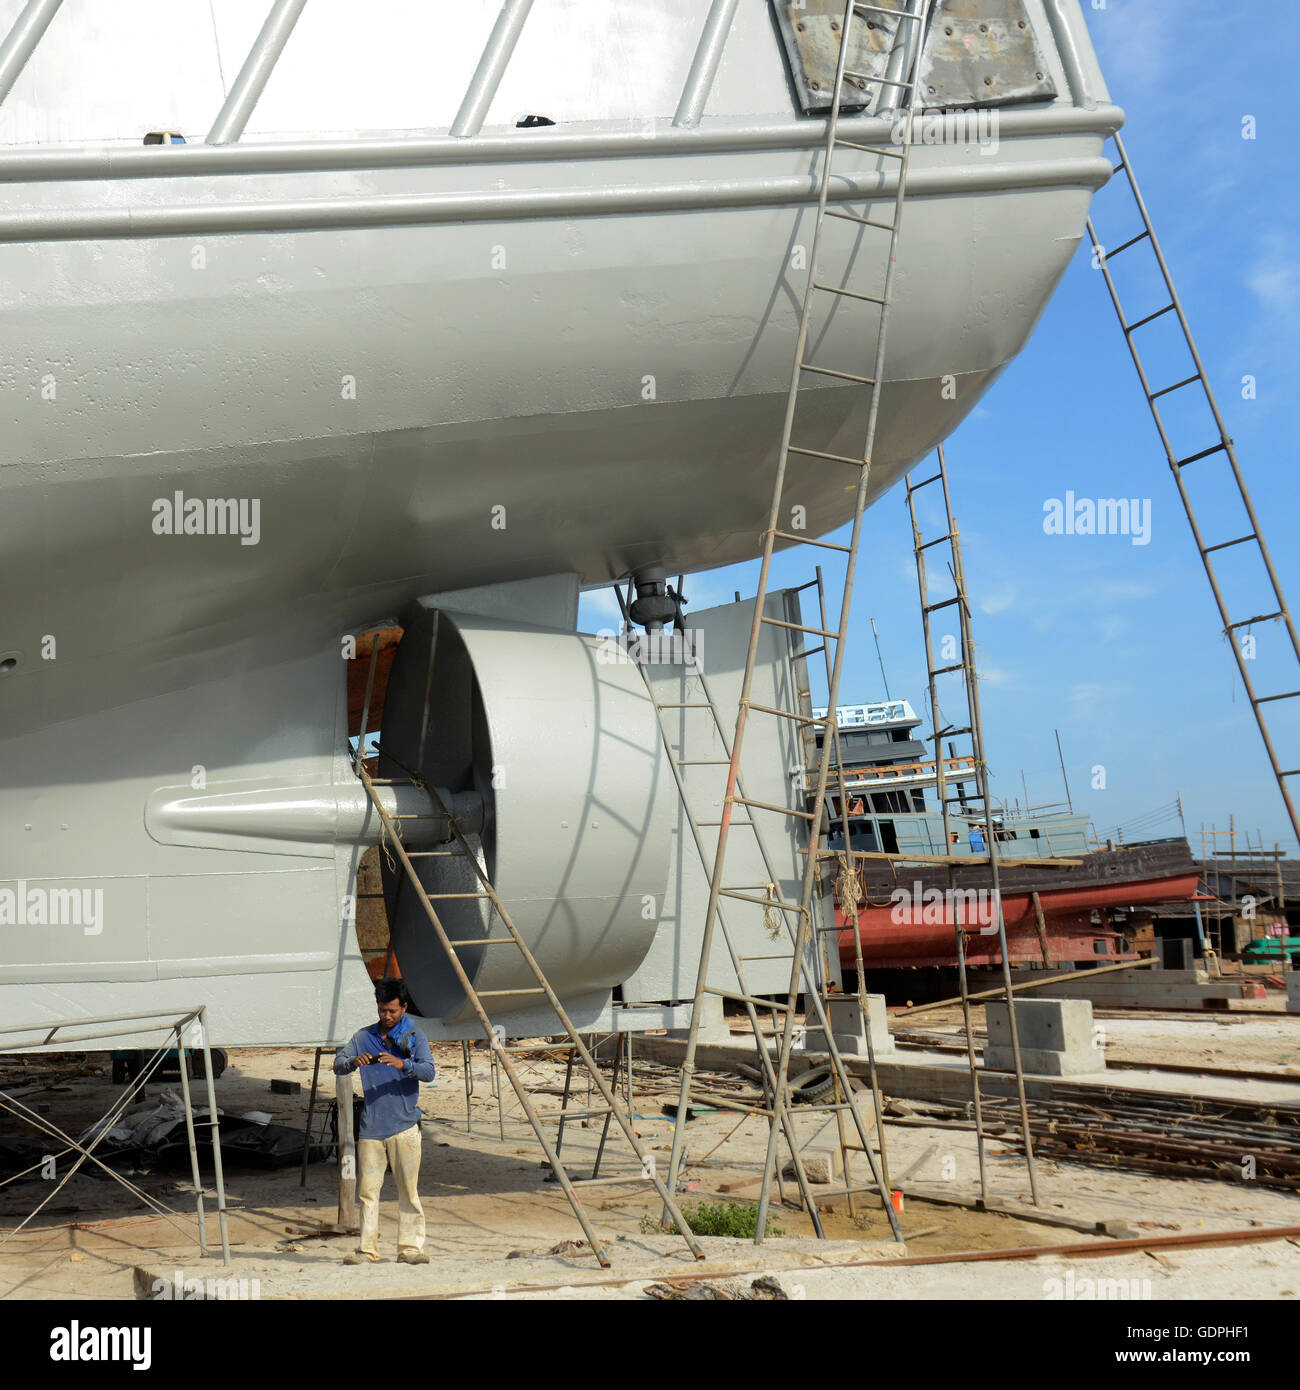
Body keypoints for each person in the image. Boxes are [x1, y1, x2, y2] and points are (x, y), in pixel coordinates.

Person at [333, 977, 436, 1265]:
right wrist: (355, 1062)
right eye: (382, 1011)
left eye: (392, 1011)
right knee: (368, 1193)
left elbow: (429, 1072)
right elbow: (338, 1064)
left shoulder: (414, 1036)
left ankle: (411, 1249)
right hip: (370, 1129)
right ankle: (367, 1250)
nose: (387, 1016)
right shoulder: (363, 1037)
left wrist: (402, 1063)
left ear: (403, 1007)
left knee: (408, 1192)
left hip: (405, 1126)